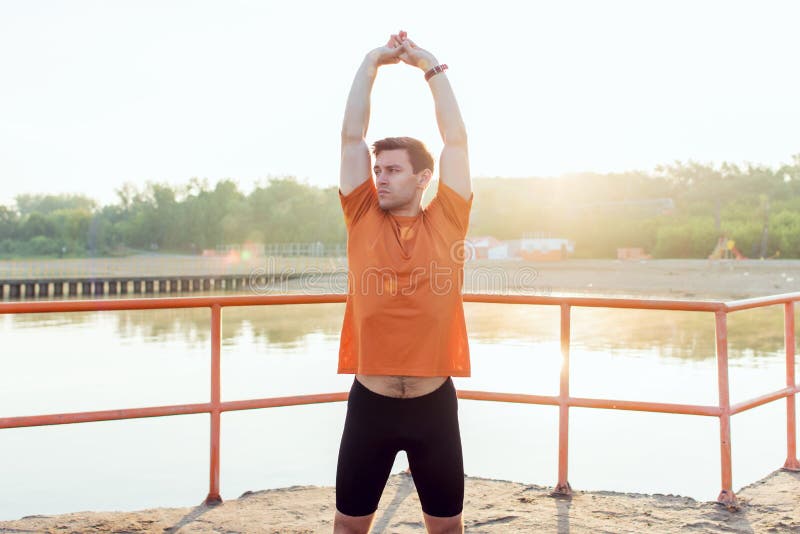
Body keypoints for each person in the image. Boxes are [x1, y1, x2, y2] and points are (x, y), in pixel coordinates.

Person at [334, 30, 473, 534]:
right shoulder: (362, 215)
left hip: (434, 405)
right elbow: (350, 137)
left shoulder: (449, 218)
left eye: (393, 169)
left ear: (423, 178)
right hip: (369, 403)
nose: (380, 178)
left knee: (446, 527)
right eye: (377, 169)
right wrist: (371, 62)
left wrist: (430, 67)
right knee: (350, 526)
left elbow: (456, 141)